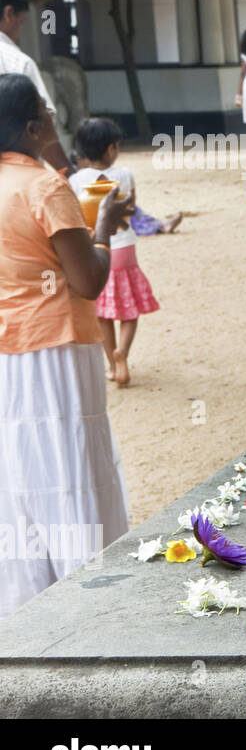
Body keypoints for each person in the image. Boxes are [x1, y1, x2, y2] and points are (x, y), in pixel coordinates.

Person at [0, 73, 132, 620]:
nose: (56, 122)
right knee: (72, 462)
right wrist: (102, 227)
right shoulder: (45, 187)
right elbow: (89, 281)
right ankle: (88, 601)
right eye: (48, 114)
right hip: (57, 345)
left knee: (24, 473)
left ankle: (30, 605)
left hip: (11, 350)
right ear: (33, 128)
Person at [68, 118, 160, 388]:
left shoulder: (75, 180)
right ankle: (123, 352)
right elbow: (132, 209)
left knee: (104, 312)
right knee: (129, 308)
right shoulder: (125, 175)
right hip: (125, 248)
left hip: (97, 249)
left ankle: (111, 363)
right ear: (111, 149)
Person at [0, 0, 73, 176]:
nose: (18, 31)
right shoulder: (17, 62)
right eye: (21, 22)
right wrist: (68, 173)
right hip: (15, 179)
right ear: (9, 14)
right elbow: (42, 126)